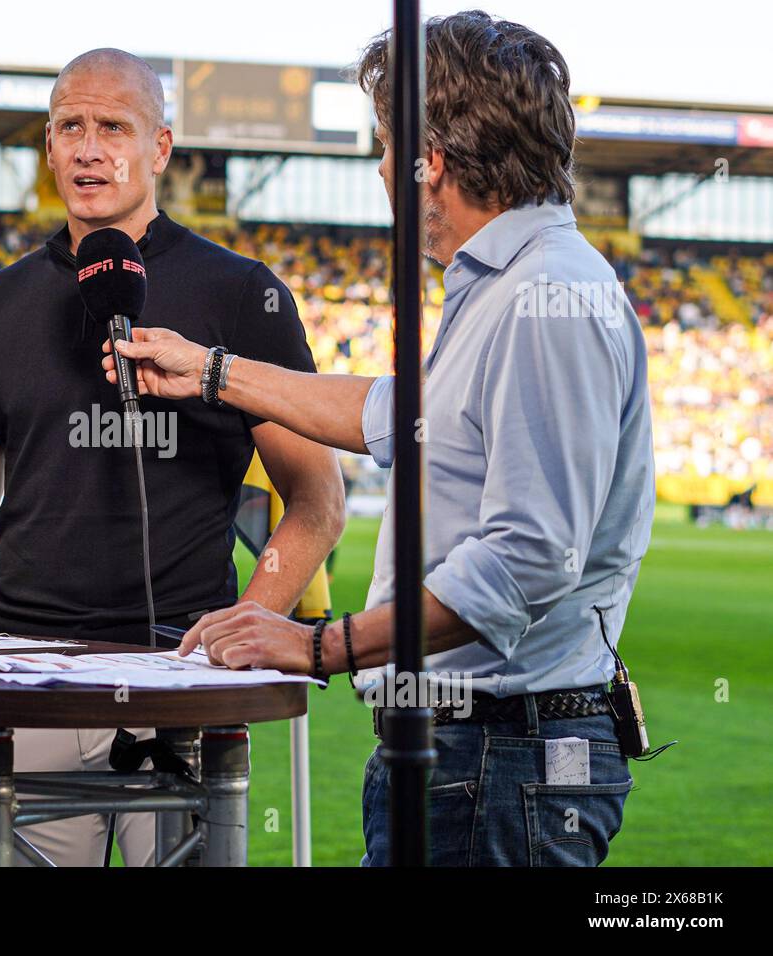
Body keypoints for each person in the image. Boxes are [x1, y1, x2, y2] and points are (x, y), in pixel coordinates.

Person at [101, 12, 655, 866]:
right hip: (479, 755)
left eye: (384, 144)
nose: (382, 168)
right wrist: (210, 371)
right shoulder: (506, 283)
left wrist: (318, 643)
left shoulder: (549, 295)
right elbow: (396, 413)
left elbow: (531, 558)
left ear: (430, 158)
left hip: (503, 757)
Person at [0, 48, 344, 867]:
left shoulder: (241, 293)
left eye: (113, 126)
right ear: (48, 148)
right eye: (69, 127)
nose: (89, 148)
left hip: (185, 683)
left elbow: (317, 500)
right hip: (26, 678)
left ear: (159, 147)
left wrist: (248, 628)